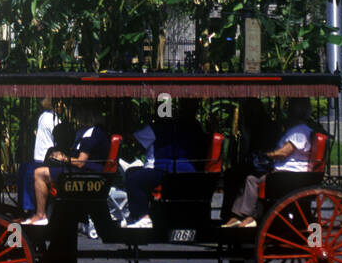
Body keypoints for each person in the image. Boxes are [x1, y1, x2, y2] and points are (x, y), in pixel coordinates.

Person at [222, 98, 314, 229]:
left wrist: (266, 155)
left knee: (252, 178)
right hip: (285, 173)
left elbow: (284, 153)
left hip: (289, 175)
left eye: (290, 109)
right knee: (251, 178)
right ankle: (242, 215)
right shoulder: (297, 130)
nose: (287, 112)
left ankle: (248, 216)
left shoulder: (299, 131)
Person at [123, 103, 208, 229]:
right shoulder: (195, 126)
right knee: (132, 172)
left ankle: (144, 218)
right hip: (188, 168)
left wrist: (126, 130)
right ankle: (136, 213)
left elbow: (134, 139)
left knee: (133, 181)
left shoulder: (157, 126)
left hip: (166, 169)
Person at [23, 120, 110, 226]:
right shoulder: (88, 132)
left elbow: (81, 162)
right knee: (30, 167)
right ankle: (37, 211)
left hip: (88, 172)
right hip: (86, 170)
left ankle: (40, 215)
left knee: (39, 173)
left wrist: (65, 159)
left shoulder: (92, 133)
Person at [19, 97, 60, 213]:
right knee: (23, 168)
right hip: (40, 158)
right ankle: (25, 205)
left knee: (28, 171)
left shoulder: (53, 119)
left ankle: (30, 208)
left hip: (44, 159)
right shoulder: (45, 116)